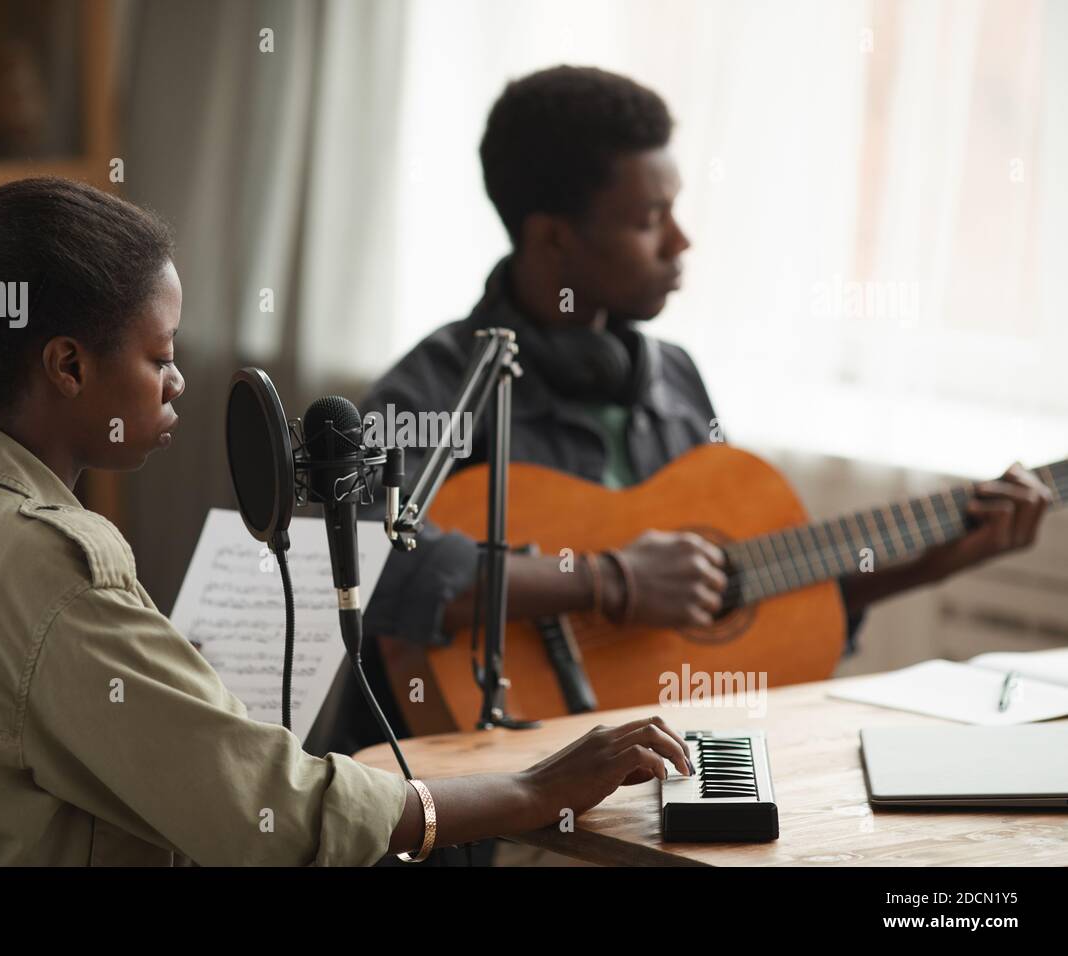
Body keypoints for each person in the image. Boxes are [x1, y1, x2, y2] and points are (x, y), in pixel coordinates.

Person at [0, 177, 695, 866]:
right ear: (66, 365)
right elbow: (284, 821)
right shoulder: (55, 575)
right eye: (159, 355)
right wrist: (537, 788)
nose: (178, 381)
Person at [319, 65, 1053, 768]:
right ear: (551, 236)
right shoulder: (435, 387)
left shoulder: (674, 378)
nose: (681, 242)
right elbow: (367, 567)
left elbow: (747, 597)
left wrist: (945, 556)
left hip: (647, 771)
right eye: (649, 219)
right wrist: (607, 580)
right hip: (474, 789)